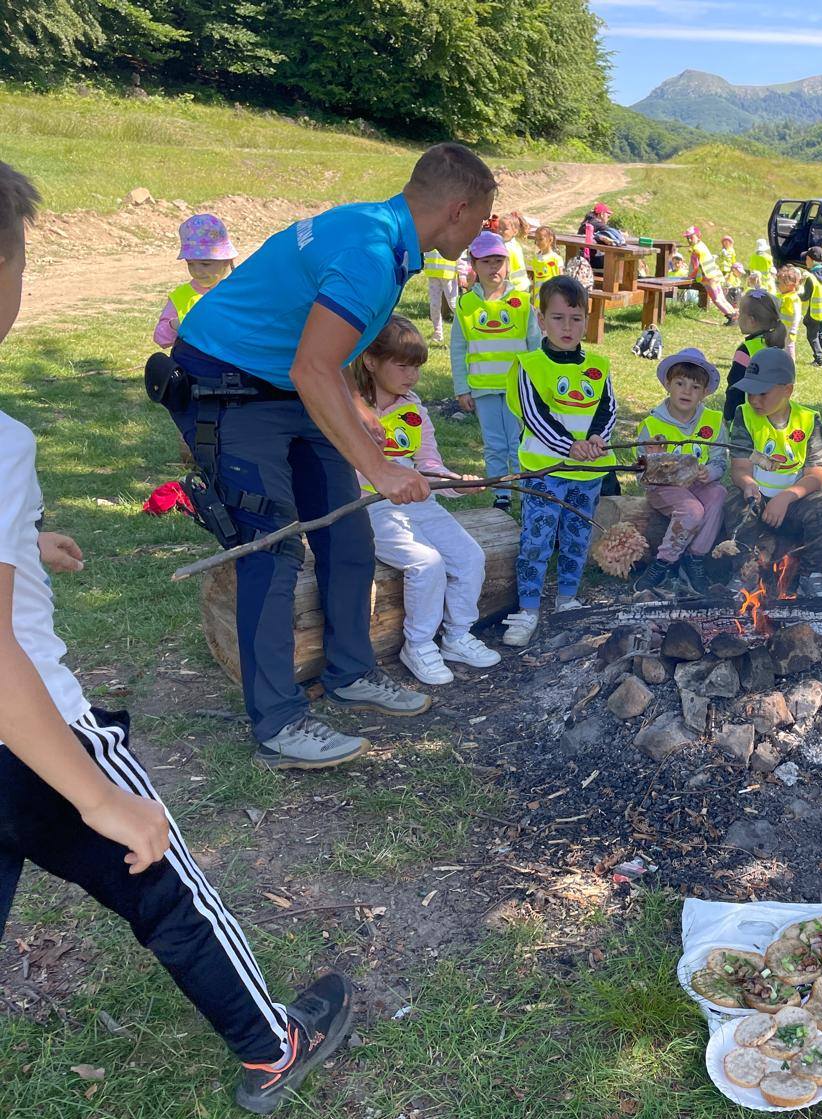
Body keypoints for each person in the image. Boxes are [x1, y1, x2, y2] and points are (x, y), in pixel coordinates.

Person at [0, 159, 353, 1116]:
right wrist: (96, 796)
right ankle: (274, 1045)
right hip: (34, 734)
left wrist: (22, 541)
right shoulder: (2, 443)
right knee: (164, 884)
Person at [163, 143, 496, 769]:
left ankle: (351, 672)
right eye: (480, 218)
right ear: (456, 209)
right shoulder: (369, 252)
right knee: (273, 543)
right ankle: (279, 723)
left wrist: (359, 410)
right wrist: (381, 468)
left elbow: (324, 342)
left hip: (287, 377)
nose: (481, 232)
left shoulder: (383, 233)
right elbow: (312, 366)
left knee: (347, 532)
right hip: (226, 381)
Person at [354, 316, 501, 685]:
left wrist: (455, 484)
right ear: (371, 360)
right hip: (371, 508)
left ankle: (457, 636)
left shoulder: (414, 411)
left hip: (421, 504)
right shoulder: (351, 410)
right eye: (402, 365)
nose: (412, 376)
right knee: (426, 562)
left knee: (470, 557)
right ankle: (418, 644)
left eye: (417, 367)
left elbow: (429, 464)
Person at [501, 275, 617, 646]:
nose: (567, 327)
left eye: (576, 318)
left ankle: (567, 598)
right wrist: (569, 446)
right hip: (544, 471)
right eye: (558, 318)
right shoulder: (529, 365)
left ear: (586, 320)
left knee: (577, 537)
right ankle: (528, 609)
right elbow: (535, 416)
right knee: (537, 538)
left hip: (588, 472)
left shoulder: (598, 366)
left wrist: (597, 438)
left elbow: (607, 409)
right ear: (541, 320)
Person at [727, 348, 822, 598]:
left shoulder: (807, 420)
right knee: (734, 503)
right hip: (756, 496)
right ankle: (744, 574)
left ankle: (812, 576)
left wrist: (786, 497)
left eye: (762, 393)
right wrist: (748, 485)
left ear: (787, 390)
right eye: (750, 392)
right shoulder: (745, 415)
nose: (754, 400)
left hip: (793, 500)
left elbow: (816, 476)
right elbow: (740, 467)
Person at [451, 230, 540, 511]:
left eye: (498, 261)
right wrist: (462, 388)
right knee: (494, 443)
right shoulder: (466, 305)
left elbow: (535, 346)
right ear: (474, 265)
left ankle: (524, 492)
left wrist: (537, 384)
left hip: (517, 389)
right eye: (486, 262)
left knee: (518, 442)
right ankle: (501, 494)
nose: (493, 268)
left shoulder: (522, 303)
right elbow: (458, 349)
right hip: (483, 388)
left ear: (508, 264)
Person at [633, 348, 728, 597]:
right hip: (665, 488)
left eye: (695, 387)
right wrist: (654, 463)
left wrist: (710, 472)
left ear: (705, 392)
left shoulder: (714, 421)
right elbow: (640, 473)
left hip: (699, 484)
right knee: (692, 509)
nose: (687, 391)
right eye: (680, 383)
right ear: (668, 385)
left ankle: (694, 557)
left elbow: (720, 461)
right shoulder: (652, 425)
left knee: (719, 493)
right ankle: (664, 561)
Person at [153, 213, 236, 350]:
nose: (197, 271)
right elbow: (160, 338)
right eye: (190, 264)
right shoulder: (181, 296)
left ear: (226, 261)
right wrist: (175, 325)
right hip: (193, 362)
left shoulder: (238, 291)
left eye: (205, 264)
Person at [724, 288, 789, 422]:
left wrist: (730, 416)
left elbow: (735, 386)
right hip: (773, 415)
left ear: (751, 320)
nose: (738, 317)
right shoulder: (777, 347)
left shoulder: (746, 350)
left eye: (740, 314)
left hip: (747, 417)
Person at [684, 225, 737, 322]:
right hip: (715, 274)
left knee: (716, 299)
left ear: (698, 236)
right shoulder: (701, 244)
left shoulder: (696, 250)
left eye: (691, 237)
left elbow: (695, 267)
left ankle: (731, 317)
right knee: (721, 298)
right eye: (687, 238)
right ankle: (734, 314)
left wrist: (690, 277)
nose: (689, 240)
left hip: (707, 278)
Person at [420, 245, 460, 344]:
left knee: (453, 304)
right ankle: (438, 334)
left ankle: (467, 326)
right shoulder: (430, 238)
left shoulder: (450, 238)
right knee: (434, 305)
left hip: (448, 274)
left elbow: (459, 253)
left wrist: (461, 273)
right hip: (433, 273)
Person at [775, 265, 805, 359]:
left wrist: (793, 329)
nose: (777, 285)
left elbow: (796, 315)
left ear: (790, 285)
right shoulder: (781, 296)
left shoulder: (792, 299)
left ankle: (790, 364)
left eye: (779, 283)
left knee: (789, 346)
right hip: (779, 328)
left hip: (788, 329)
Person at [498, 211, 532, 291]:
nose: (500, 231)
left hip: (514, 287)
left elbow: (506, 270)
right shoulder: (516, 244)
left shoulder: (505, 248)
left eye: (505, 229)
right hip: (523, 284)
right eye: (499, 228)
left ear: (515, 231)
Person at [529, 225, 563, 289]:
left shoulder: (556, 258)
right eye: (536, 239)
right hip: (538, 294)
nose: (537, 242)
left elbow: (561, 278)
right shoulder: (536, 258)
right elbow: (535, 278)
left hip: (551, 293)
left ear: (550, 240)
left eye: (541, 239)